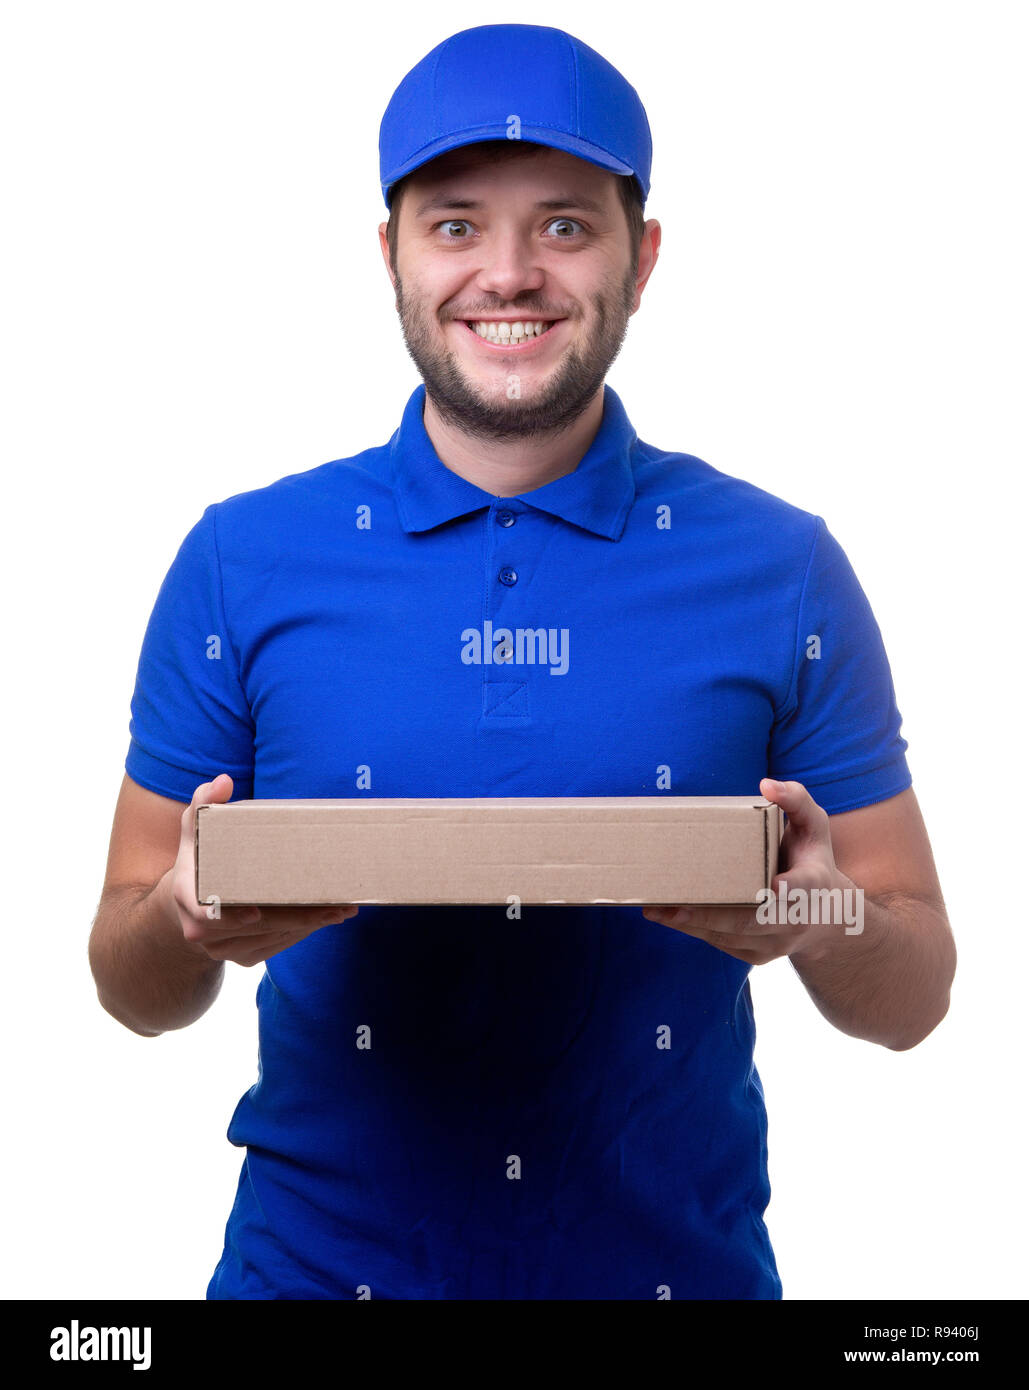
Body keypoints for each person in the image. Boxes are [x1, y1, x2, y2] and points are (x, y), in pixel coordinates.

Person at [89, 23, 956, 1300]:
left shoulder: (782, 566)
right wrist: (185, 921)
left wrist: (813, 914)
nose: (509, 275)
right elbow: (128, 977)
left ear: (641, 256)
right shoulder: (242, 559)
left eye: (563, 225)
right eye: (454, 226)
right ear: (387, 251)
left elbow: (914, 990)